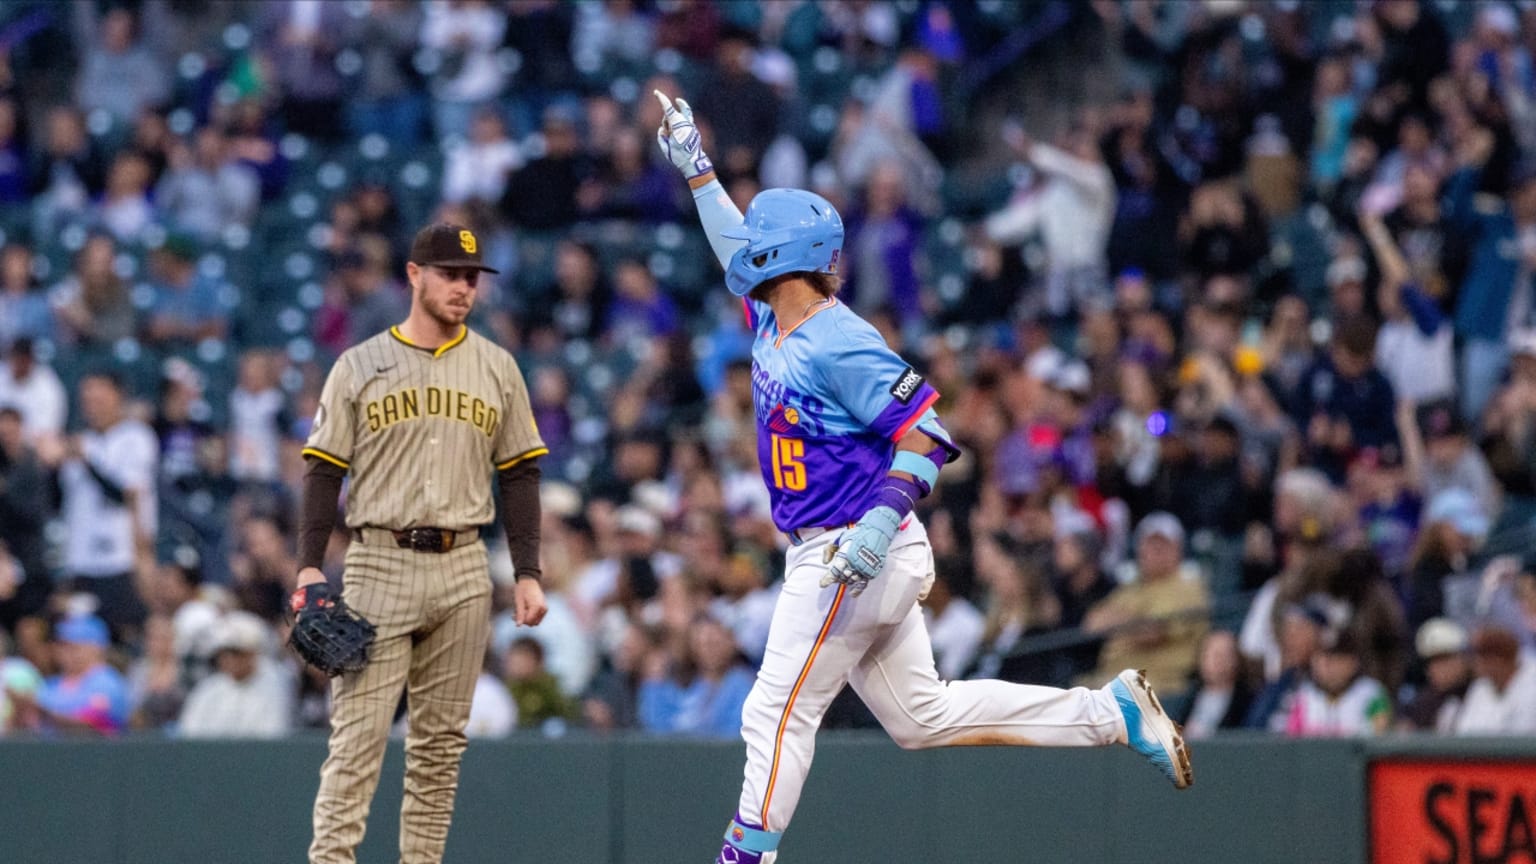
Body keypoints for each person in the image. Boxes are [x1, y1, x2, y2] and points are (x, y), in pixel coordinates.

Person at [657, 90, 1192, 864]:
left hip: (853, 546)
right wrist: (700, 172)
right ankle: (1111, 715)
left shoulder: (839, 339)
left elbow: (927, 433)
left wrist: (877, 525)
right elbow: (734, 242)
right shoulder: (775, 313)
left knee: (773, 712)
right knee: (920, 718)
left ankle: (745, 859)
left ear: (782, 258)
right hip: (847, 545)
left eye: (760, 246)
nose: (745, 254)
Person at [293, 222, 549, 864]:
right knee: (357, 743)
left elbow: (520, 473)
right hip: (380, 561)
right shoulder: (358, 364)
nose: (463, 288)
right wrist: (307, 566)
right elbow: (323, 470)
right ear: (414, 275)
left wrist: (527, 571)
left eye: (471, 278)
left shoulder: (497, 366)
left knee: (439, 751)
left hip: (464, 567)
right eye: (449, 275)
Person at [178, 611, 292, 738]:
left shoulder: (274, 687)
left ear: (252, 653)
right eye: (223, 653)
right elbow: (189, 732)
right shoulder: (208, 689)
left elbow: (272, 736)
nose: (229, 659)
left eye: (236, 652)